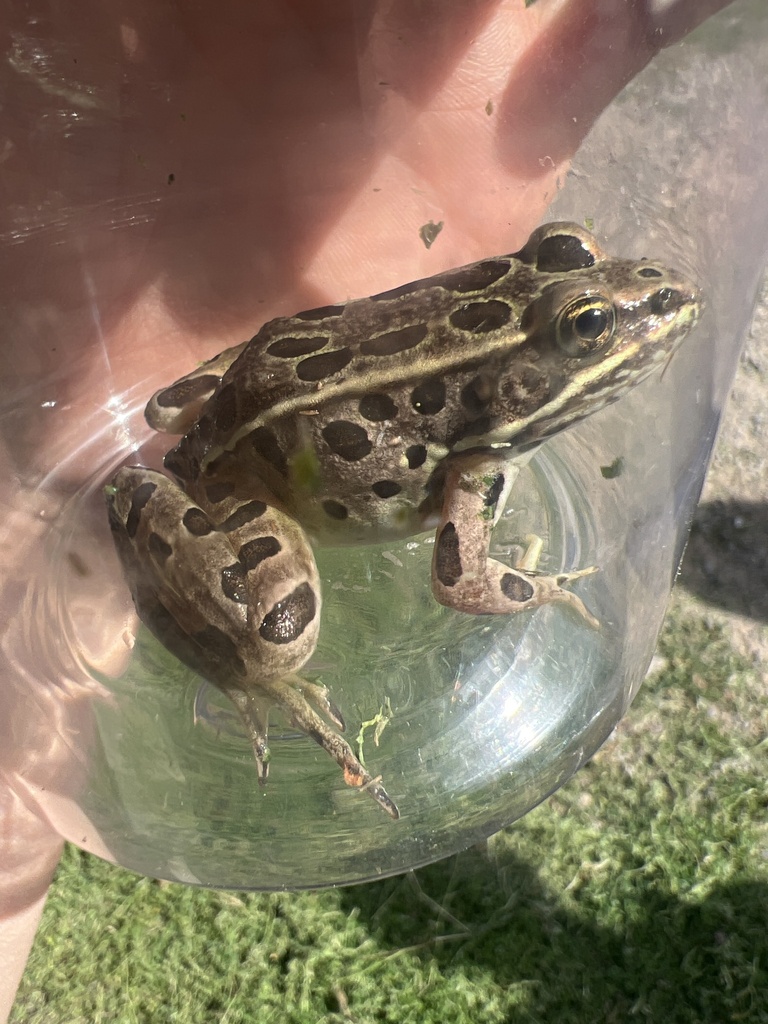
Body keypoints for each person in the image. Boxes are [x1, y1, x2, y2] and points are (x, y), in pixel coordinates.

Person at [0, 0, 727, 1017]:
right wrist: (537, 586)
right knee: (284, 638)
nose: (632, 317)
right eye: (590, 327)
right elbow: (464, 580)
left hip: (250, 382)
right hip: (246, 478)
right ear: (520, 378)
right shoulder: (470, 466)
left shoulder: (479, 432)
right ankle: (251, 669)